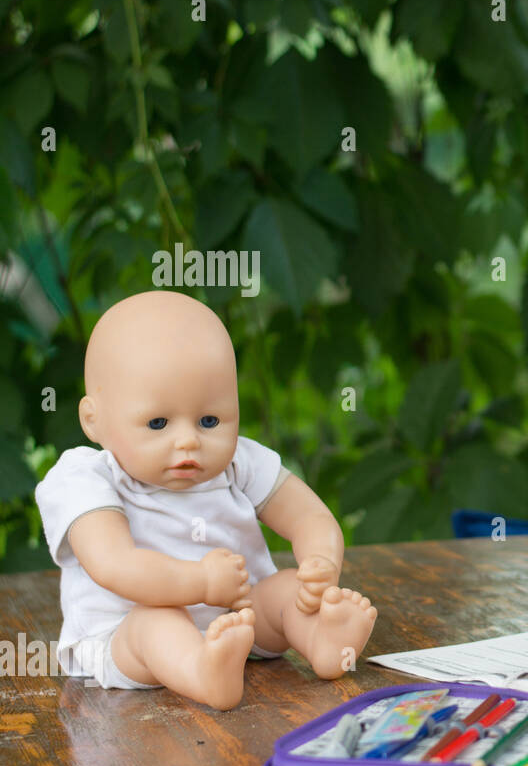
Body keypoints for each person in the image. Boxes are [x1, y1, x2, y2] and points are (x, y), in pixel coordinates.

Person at [35, 290, 377, 710]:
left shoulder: (239, 461)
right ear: (94, 419)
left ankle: (322, 640)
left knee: (284, 590)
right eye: (158, 422)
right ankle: (201, 670)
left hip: (239, 618)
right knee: (156, 624)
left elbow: (308, 515)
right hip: (124, 634)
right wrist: (199, 582)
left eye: (209, 420)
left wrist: (321, 564)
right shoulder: (86, 478)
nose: (188, 440)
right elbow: (113, 564)